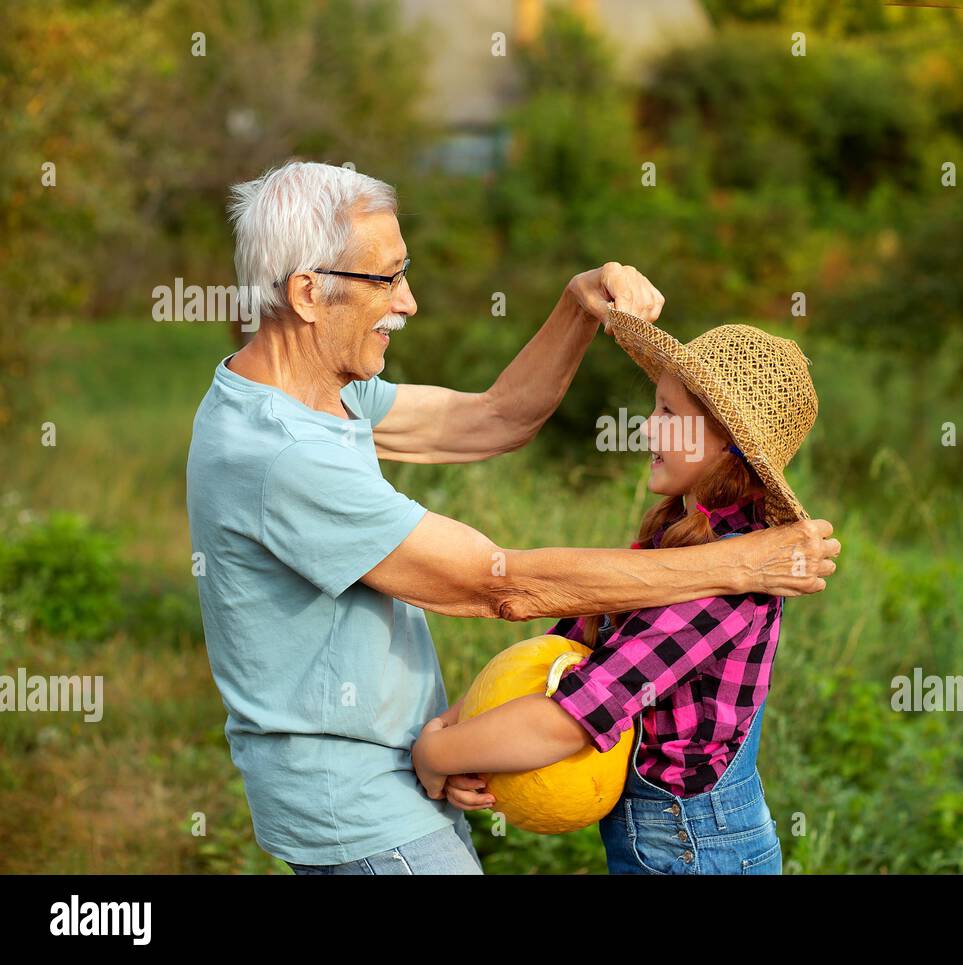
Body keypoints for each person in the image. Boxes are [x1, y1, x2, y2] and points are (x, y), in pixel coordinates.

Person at [186, 161, 840, 875]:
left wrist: (576, 305)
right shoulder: (282, 454)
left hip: (393, 781)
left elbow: (493, 416)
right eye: (388, 278)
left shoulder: (323, 394)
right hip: (358, 800)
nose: (409, 301)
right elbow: (500, 587)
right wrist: (745, 563)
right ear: (308, 293)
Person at [412, 313, 819, 874]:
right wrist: (465, 730)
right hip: (666, 842)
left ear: (729, 445)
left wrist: (437, 753)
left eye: (670, 415)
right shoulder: (680, 545)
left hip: (700, 849)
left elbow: (574, 717)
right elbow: (563, 651)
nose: (648, 429)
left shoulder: (730, 585)